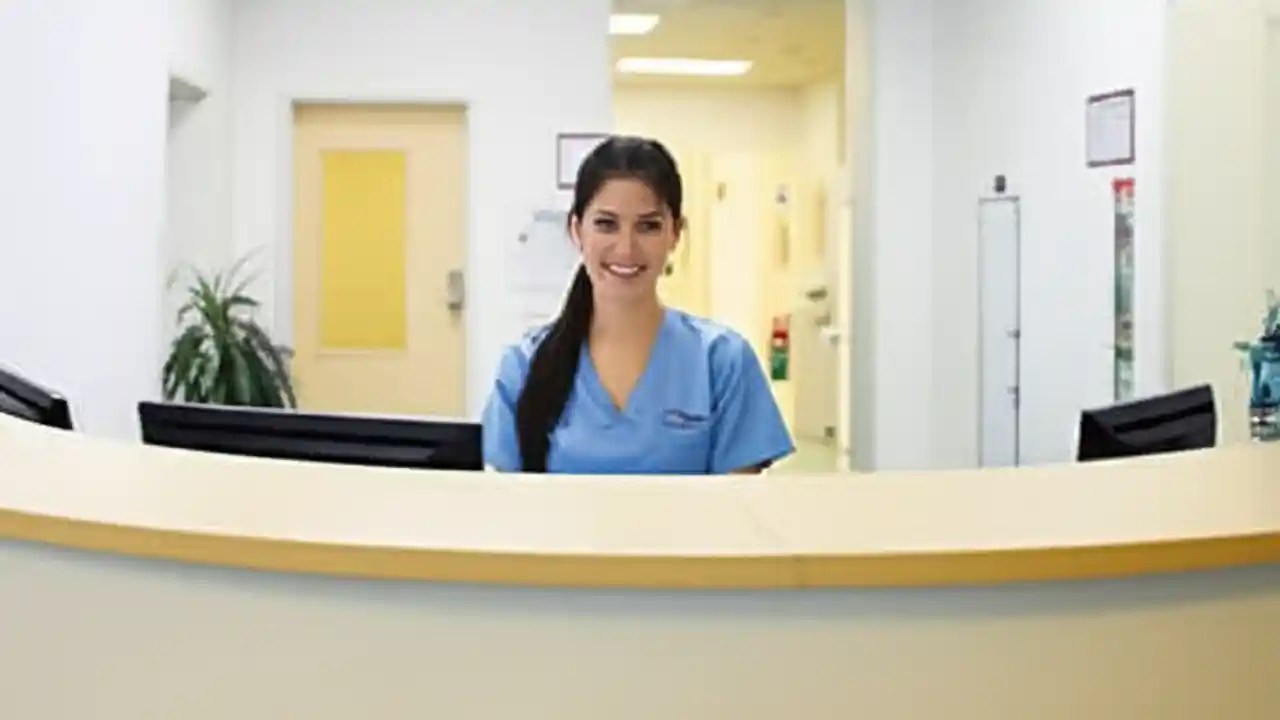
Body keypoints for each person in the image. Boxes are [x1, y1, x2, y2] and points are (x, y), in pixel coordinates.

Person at [481, 135, 794, 474]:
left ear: (676, 233)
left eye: (648, 226)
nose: (626, 248)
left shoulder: (721, 362)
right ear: (576, 230)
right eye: (606, 224)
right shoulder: (524, 366)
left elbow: (739, 509)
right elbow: (508, 508)